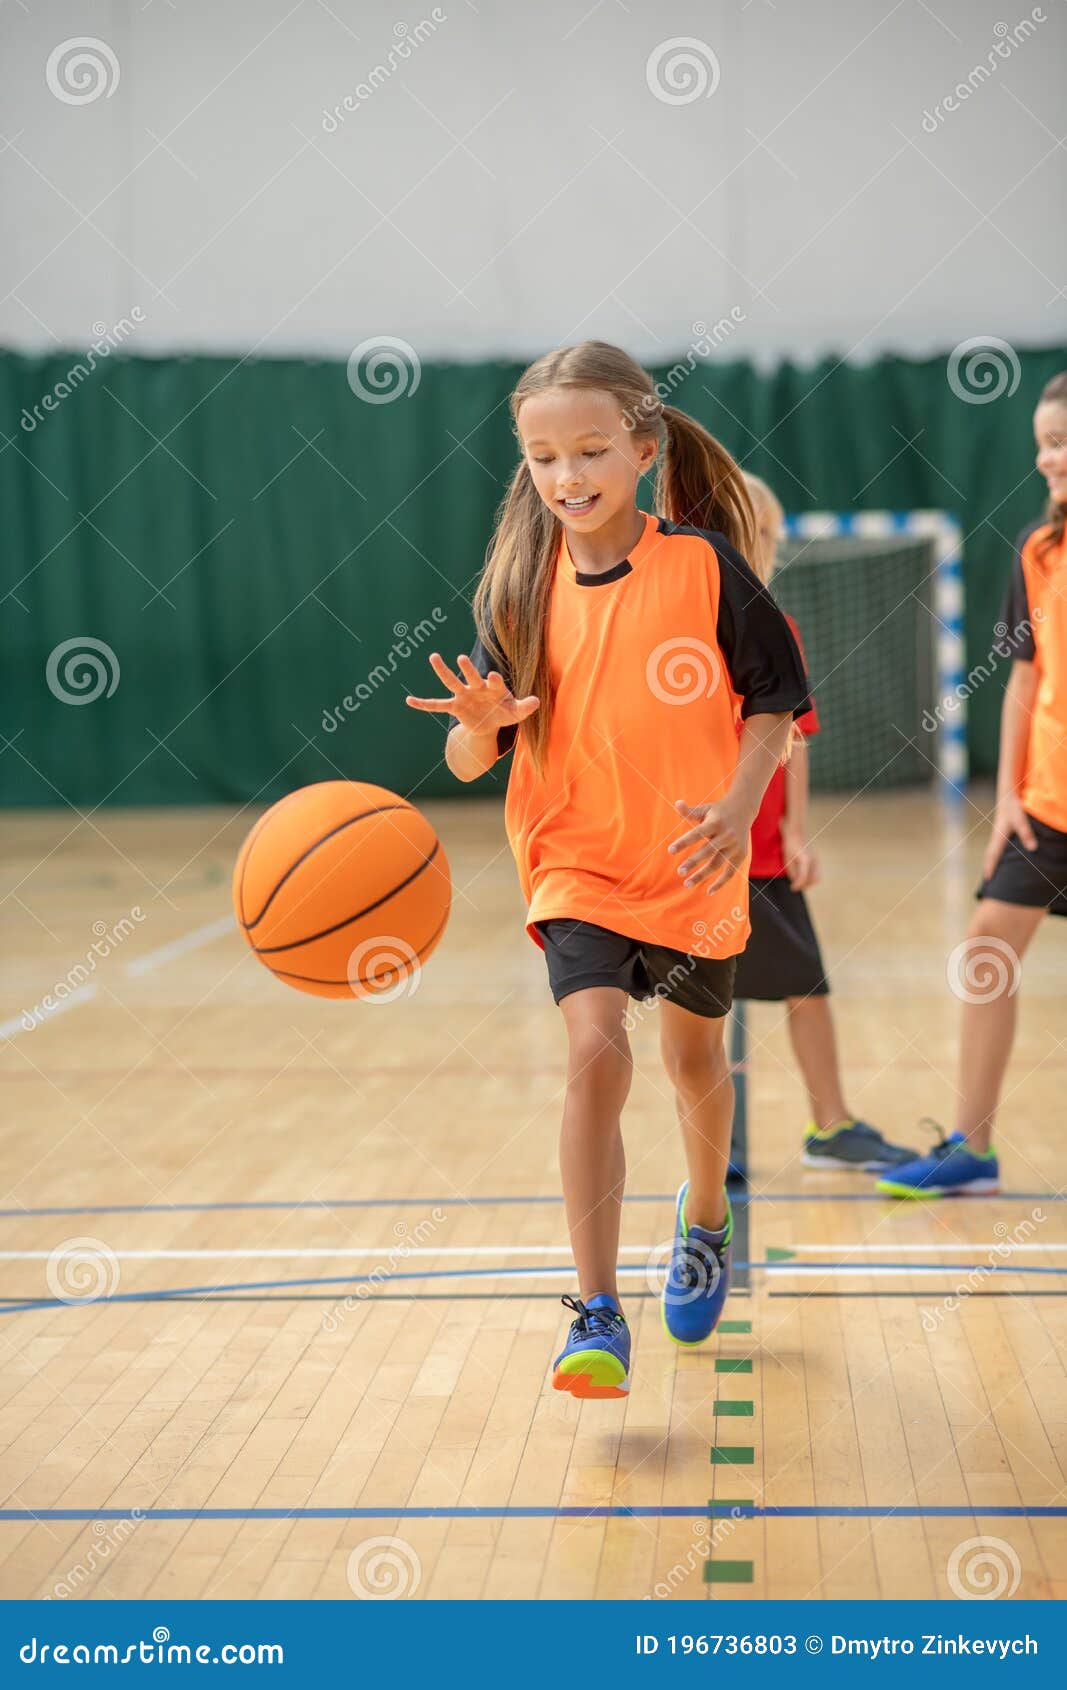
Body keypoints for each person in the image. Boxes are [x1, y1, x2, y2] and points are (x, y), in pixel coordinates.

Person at [407, 342, 811, 1397]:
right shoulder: (517, 587)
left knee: (691, 1067)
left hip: (688, 860)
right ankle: (594, 1308)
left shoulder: (704, 568)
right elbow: (468, 757)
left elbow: (773, 703)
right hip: (574, 860)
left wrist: (735, 806)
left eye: (589, 450)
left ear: (640, 450)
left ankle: (705, 1218)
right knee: (594, 1051)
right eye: (542, 456)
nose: (566, 475)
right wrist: (477, 726)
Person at [878, 372, 1067, 1198]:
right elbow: (1023, 679)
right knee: (987, 944)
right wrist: (1010, 797)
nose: (1045, 459)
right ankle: (972, 1147)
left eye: (1059, 442)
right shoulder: (1036, 551)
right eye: (1040, 445)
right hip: (1048, 805)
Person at [734, 475, 916, 1174]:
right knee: (703, 1007)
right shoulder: (676, 629)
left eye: (763, 535)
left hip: (763, 855)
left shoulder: (779, 627)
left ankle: (830, 1124)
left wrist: (794, 831)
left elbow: (793, 737)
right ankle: (711, 1143)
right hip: (697, 851)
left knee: (806, 988)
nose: (759, 547)